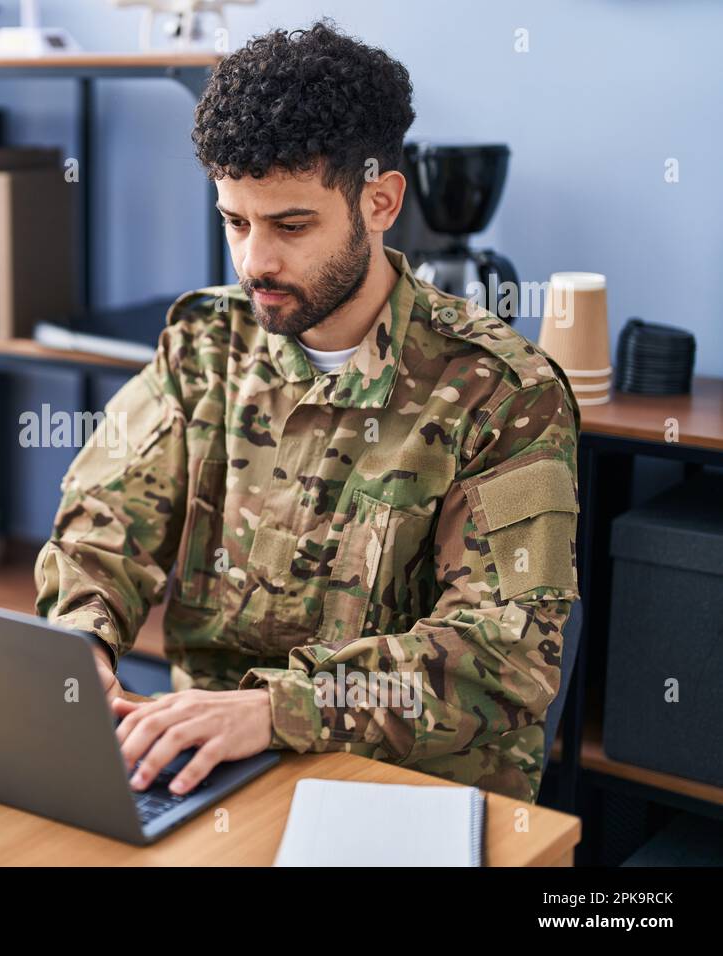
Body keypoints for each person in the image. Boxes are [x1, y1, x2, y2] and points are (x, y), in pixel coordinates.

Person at [34, 21, 580, 804]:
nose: (255, 260)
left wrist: (275, 709)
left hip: (404, 787)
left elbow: (505, 655)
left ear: (381, 201)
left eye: (291, 226)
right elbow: (102, 523)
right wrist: (79, 643)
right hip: (212, 772)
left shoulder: (506, 394)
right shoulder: (207, 343)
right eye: (235, 221)